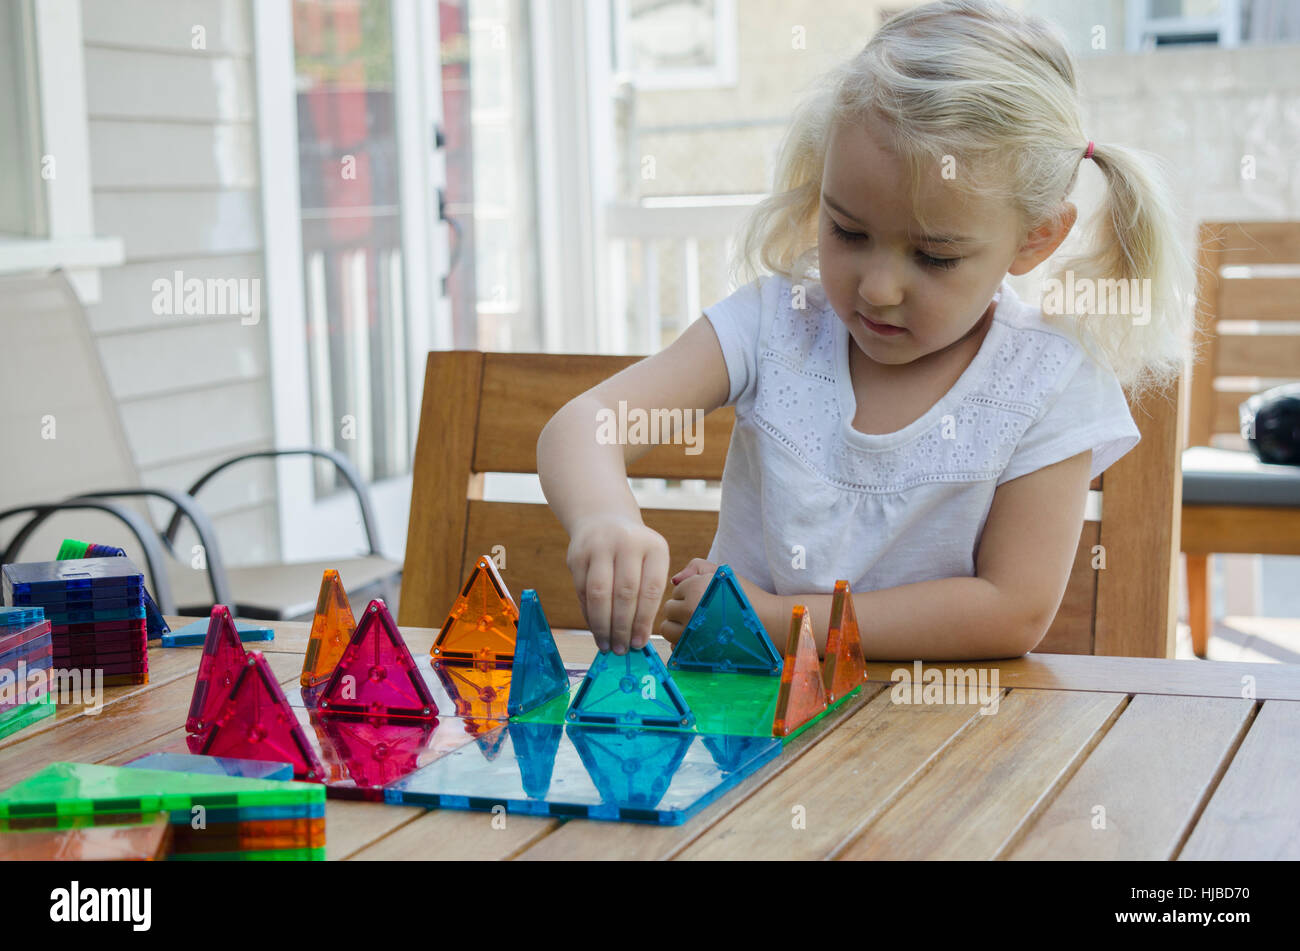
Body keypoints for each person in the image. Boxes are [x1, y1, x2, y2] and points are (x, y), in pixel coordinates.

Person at [537, 0, 1194, 661]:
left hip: (937, 743)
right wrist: (606, 519)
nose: (878, 287)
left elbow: (1010, 609)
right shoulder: (776, 322)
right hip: (744, 737)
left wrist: (778, 622)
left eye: (934, 256)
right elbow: (587, 424)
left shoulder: (1048, 378)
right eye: (848, 231)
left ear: (1036, 238)